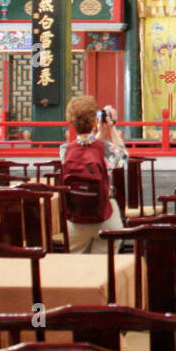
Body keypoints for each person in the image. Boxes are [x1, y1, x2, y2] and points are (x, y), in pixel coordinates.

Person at [59, 95, 127, 253]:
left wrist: (99, 134)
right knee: (104, 264)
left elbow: (84, 145)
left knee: (75, 265)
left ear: (71, 122)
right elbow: (123, 158)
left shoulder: (64, 150)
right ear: (95, 121)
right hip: (105, 217)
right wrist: (112, 129)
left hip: (75, 218)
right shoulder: (105, 149)